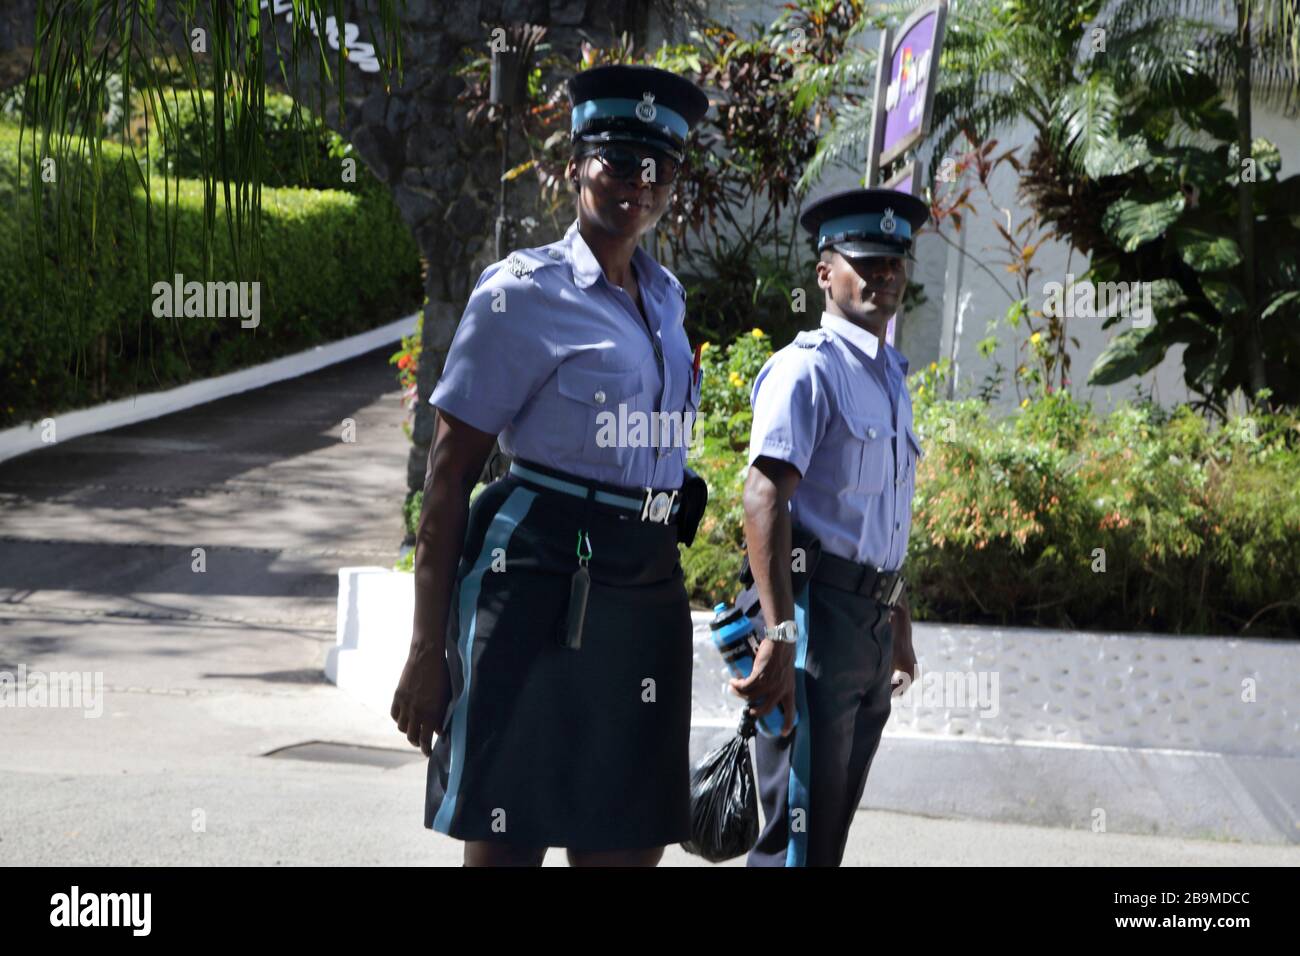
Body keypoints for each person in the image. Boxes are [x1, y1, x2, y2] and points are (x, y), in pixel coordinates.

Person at [389, 63, 709, 867]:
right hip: (538, 586)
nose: (639, 183)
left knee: (631, 837)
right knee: (510, 839)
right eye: (617, 160)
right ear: (574, 166)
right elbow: (448, 477)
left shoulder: (666, 299)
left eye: (658, 167)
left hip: (647, 591)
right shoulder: (520, 295)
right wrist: (428, 648)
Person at [734, 187, 929, 866]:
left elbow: (876, 514)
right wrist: (780, 633)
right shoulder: (807, 369)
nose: (882, 275)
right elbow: (764, 497)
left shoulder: (888, 377)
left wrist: (896, 616)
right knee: (796, 837)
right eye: (866, 261)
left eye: (894, 262)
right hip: (814, 621)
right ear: (825, 272)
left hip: (868, 625)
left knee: (827, 838)